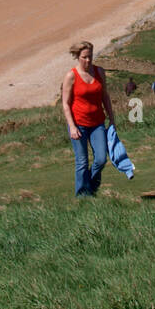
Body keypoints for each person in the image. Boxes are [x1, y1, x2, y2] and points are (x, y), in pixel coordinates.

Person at [61, 40, 115, 198]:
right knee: (82, 162)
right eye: (84, 57)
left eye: (90, 56)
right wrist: (72, 126)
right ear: (78, 57)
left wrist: (112, 119)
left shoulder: (99, 72)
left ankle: (90, 186)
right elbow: (65, 103)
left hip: (97, 123)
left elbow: (105, 96)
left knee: (101, 158)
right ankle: (82, 195)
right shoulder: (71, 75)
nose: (88, 60)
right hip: (78, 124)